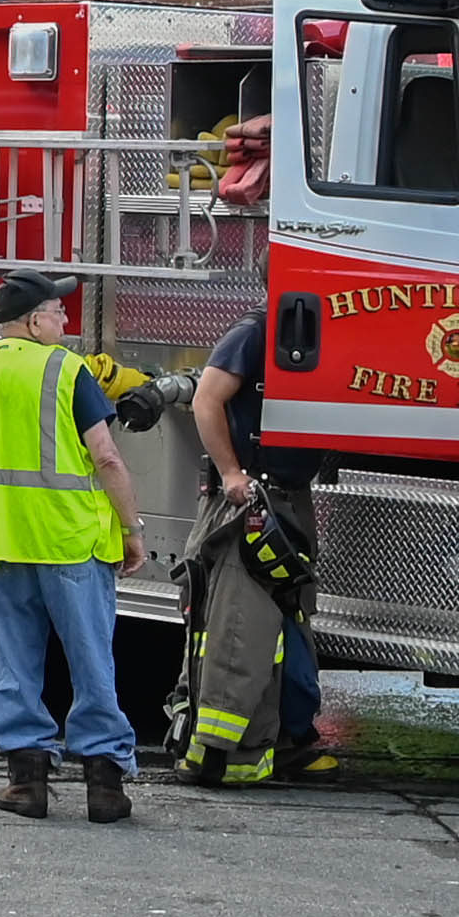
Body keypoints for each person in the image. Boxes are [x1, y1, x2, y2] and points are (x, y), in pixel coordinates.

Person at [0, 270, 146, 824]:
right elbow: (107, 457)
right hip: (72, 543)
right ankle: (104, 786)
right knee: (91, 661)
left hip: (3, 545)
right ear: (32, 323)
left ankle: (26, 782)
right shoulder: (65, 370)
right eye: (57, 311)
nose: (65, 320)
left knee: (14, 663)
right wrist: (132, 529)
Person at [179, 306, 336, 786]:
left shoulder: (324, 333)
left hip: (288, 501)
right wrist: (231, 473)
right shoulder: (253, 332)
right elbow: (206, 399)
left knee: (289, 625)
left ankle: (287, 741)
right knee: (239, 632)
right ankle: (216, 755)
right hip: (250, 503)